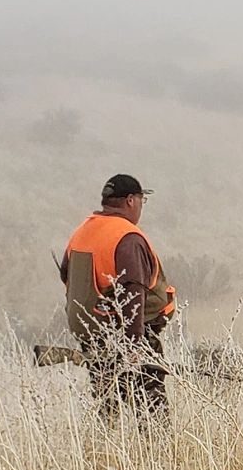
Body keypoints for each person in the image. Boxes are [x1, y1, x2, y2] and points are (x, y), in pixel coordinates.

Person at [61, 173, 176, 425]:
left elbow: (67, 275)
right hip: (134, 335)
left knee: (107, 405)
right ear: (131, 201)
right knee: (151, 408)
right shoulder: (127, 237)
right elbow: (134, 293)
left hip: (94, 336)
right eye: (142, 200)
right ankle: (157, 459)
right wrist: (134, 346)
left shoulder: (82, 231)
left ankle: (106, 455)